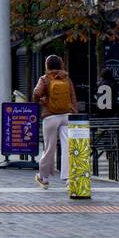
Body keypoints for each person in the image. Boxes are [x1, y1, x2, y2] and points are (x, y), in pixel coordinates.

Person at [34, 55, 78, 188]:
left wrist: (41, 101)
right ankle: (68, 180)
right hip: (67, 116)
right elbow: (73, 97)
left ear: (47, 65)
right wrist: (74, 113)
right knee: (67, 147)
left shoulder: (45, 79)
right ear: (61, 65)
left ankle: (44, 178)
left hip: (50, 116)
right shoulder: (66, 78)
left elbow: (36, 93)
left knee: (49, 148)